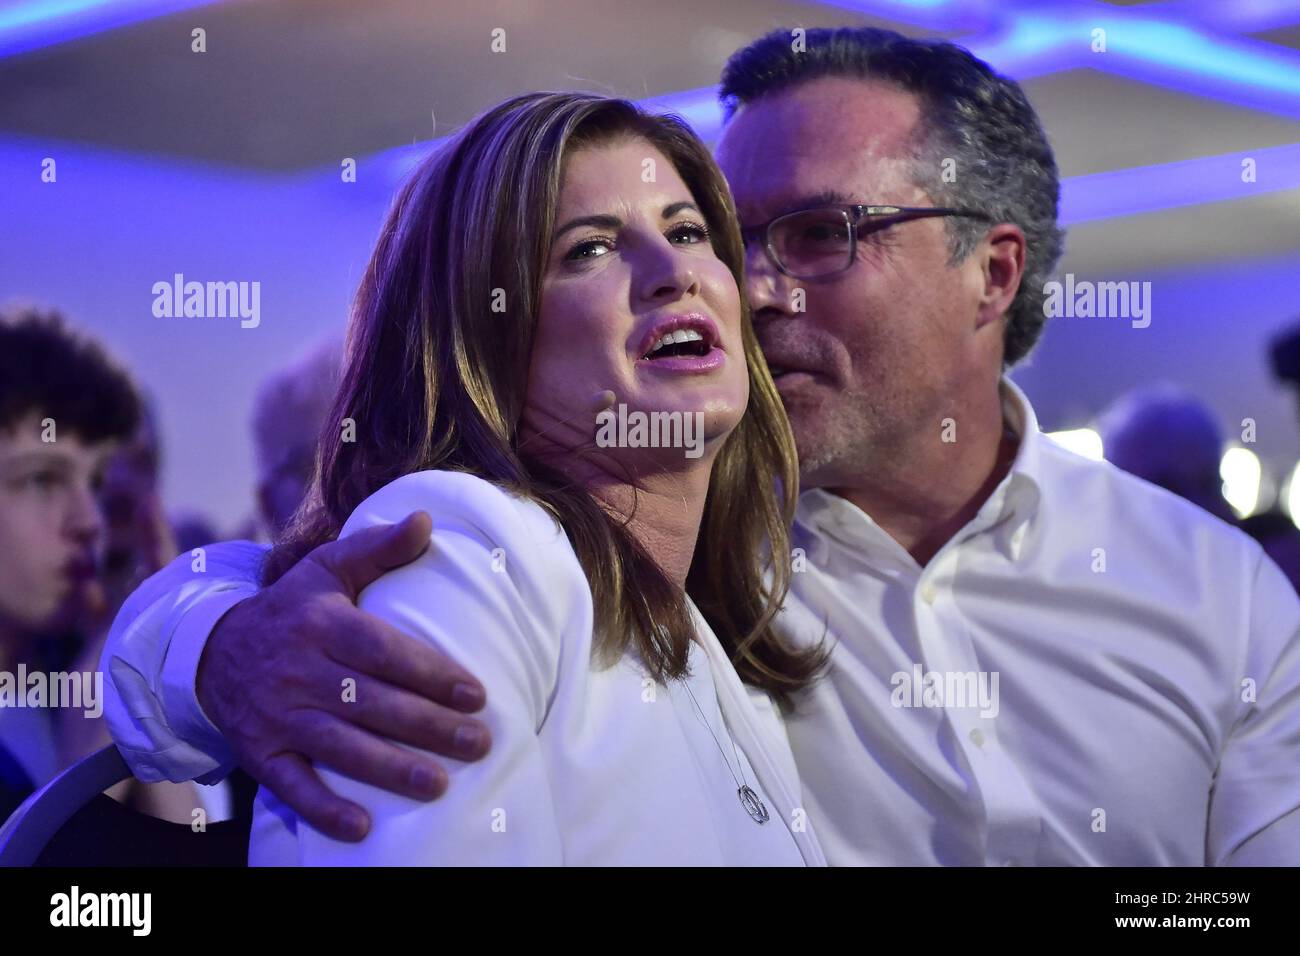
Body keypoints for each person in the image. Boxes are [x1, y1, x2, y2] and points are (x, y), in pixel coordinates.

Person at [102, 27, 1300, 866]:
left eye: (819, 233)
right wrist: (211, 640)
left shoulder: (1218, 597)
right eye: (742, 233)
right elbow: (337, 586)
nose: (748, 284)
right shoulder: (592, 555)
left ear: (992, 271)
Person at [126, 92, 829, 866]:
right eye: (589, 249)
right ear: (481, 335)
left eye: (688, 231)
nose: (673, 273)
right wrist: (208, 637)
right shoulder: (466, 547)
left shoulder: (704, 629)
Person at [0, 306, 199, 827]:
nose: (91, 521)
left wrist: (135, 663)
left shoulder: (64, 682)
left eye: (93, 484)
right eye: (42, 479)